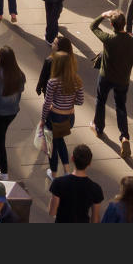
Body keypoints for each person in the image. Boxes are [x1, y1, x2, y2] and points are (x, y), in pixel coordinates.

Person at [90, 10, 133, 159]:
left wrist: (102, 15)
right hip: (123, 80)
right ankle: (124, 136)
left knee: (100, 101)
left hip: (106, 77)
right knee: (121, 107)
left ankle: (99, 128)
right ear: (125, 24)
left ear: (112, 25)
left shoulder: (109, 39)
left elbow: (93, 27)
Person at [39, 46, 85, 180]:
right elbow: (81, 101)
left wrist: (42, 119)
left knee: (51, 145)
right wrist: (69, 103)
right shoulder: (76, 80)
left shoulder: (53, 82)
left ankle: (54, 173)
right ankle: (66, 170)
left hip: (54, 117)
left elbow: (47, 103)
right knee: (59, 140)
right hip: (69, 118)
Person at [0, 47, 25, 179]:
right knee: (1, 131)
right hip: (12, 111)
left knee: (1, 139)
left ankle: (4, 172)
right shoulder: (19, 74)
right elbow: (21, 90)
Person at [48, 145, 104, 222]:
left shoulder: (58, 183)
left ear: (72, 159)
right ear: (89, 163)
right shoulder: (95, 188)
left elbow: (52, 212)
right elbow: (95, 219)